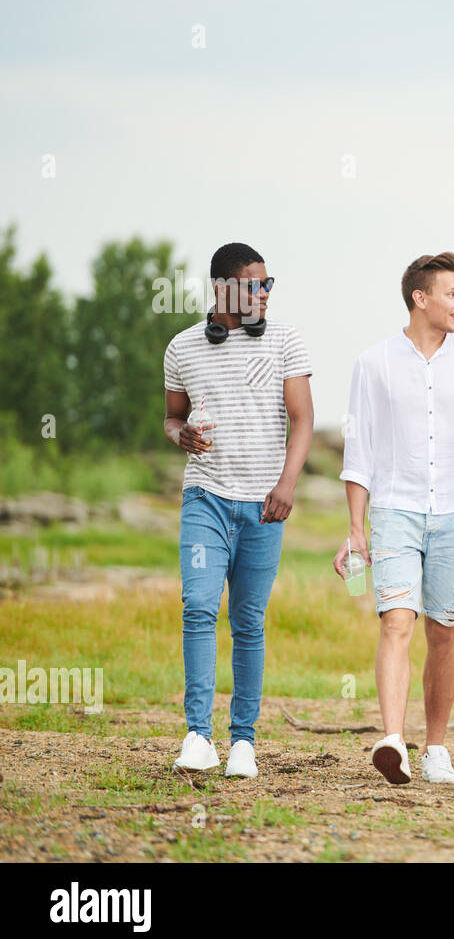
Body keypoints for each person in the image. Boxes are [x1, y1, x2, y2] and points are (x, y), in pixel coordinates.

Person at [333, 252, 454, 785]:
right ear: (420, 298)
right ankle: (392, 740)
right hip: (393, 509)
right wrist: (356, 528)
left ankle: (435, 747)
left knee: (444, 631)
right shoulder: (373, 362)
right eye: (453, 293)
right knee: (396, 621)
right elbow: (359, 450)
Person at [164, 242, 315, 778]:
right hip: (205, 497)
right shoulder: (181, 347)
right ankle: (198, 736)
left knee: (248, 621)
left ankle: (243, 742)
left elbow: (302, 420)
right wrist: (181, 436)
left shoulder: (285, 340)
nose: (267, 294)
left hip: (263, 506)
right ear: (223, 288)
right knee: (198, 608)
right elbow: (171, 418)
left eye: (269, 283)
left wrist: (287, 484)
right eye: (256, 285)